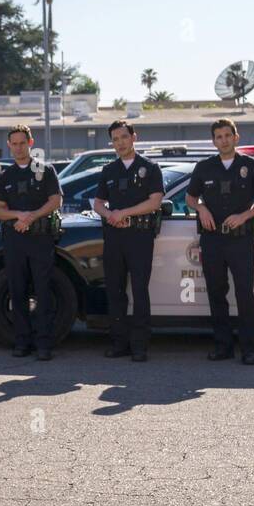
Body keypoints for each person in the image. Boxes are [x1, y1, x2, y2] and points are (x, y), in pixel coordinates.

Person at [186, 118, 254, 364]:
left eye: (227, 135)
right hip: (212, 240)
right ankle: (223, 346)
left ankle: (248, 349)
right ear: (214, 141)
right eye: (218, 137)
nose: (223, 140)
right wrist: (201, 207)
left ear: (236, 137)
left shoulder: (251, 166)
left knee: (244, 293)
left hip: (240, 240)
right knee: (216, 292)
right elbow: (190, 197)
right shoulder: (204, 167)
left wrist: (244, 215)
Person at [92, 121, 164, 361]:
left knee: (140, 291)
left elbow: (155, 202)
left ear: (134, 137)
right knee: (115, 290)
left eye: (124, 137)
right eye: (115, 139)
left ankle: (140, 345)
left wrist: (124, 213)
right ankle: (119, 343)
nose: (120, 142)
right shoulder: (108, 171)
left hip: (140, 237)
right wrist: (110, 215)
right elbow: (98, 204)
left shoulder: (150, 168)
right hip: (114, 237)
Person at [0, 125, 62, 360]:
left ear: (31, 143)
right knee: (17, 291)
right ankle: (21, 342)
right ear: (9, 145)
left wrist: (31, 217)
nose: (19, 148)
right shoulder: (6, 176)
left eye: (23, 143)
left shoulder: (44, 170)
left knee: (43, 292)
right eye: (14, 144)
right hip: (15, 241)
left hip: (41, 240)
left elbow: (55, 201)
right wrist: (18, 216)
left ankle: (44, 344)